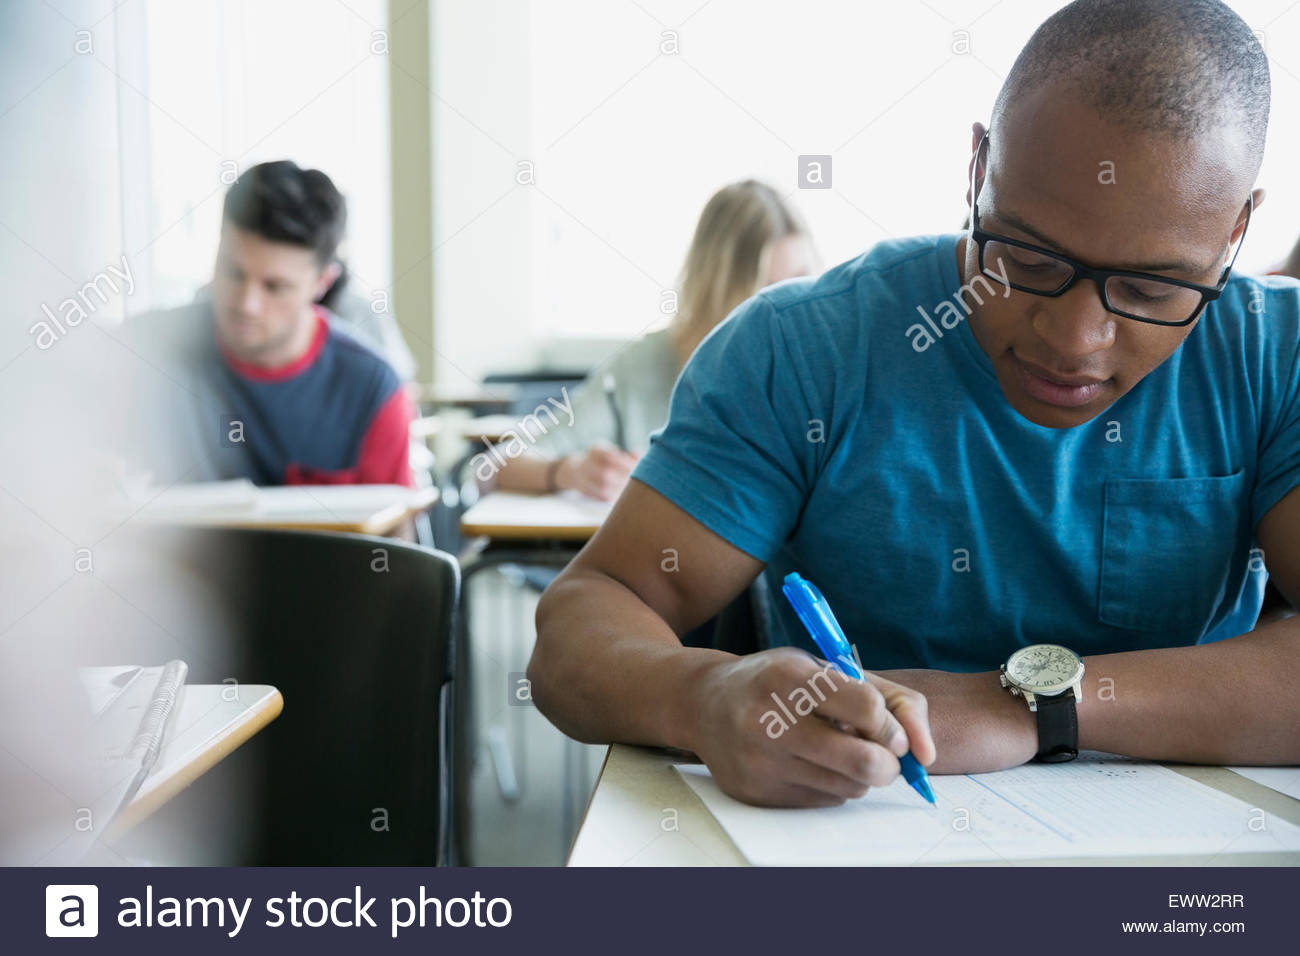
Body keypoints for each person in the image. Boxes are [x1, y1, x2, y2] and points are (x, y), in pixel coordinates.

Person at [529, 0, 1300, 809]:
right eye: (1029, 259)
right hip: (855, 829)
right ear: (977, 168)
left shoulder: (1275, 353)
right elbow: (583, 624)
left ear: (1239, 228)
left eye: (1151, 287)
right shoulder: (806, 349)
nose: (1075, 338)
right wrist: (701, 694)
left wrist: (1028, 708)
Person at [488, 180, 817, 501]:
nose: (788, 316)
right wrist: (571, 472)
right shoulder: (642, 368)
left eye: (800, 287)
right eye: (763, 297)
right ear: (716, 292)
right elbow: (495, 465)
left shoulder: (821, 380)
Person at [126, 161, 415, 487]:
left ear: (322, 282)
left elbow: (394, 532)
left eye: (275, 287)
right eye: (233, 272)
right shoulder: (142, 350)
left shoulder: (372, 390)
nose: (246, 304)